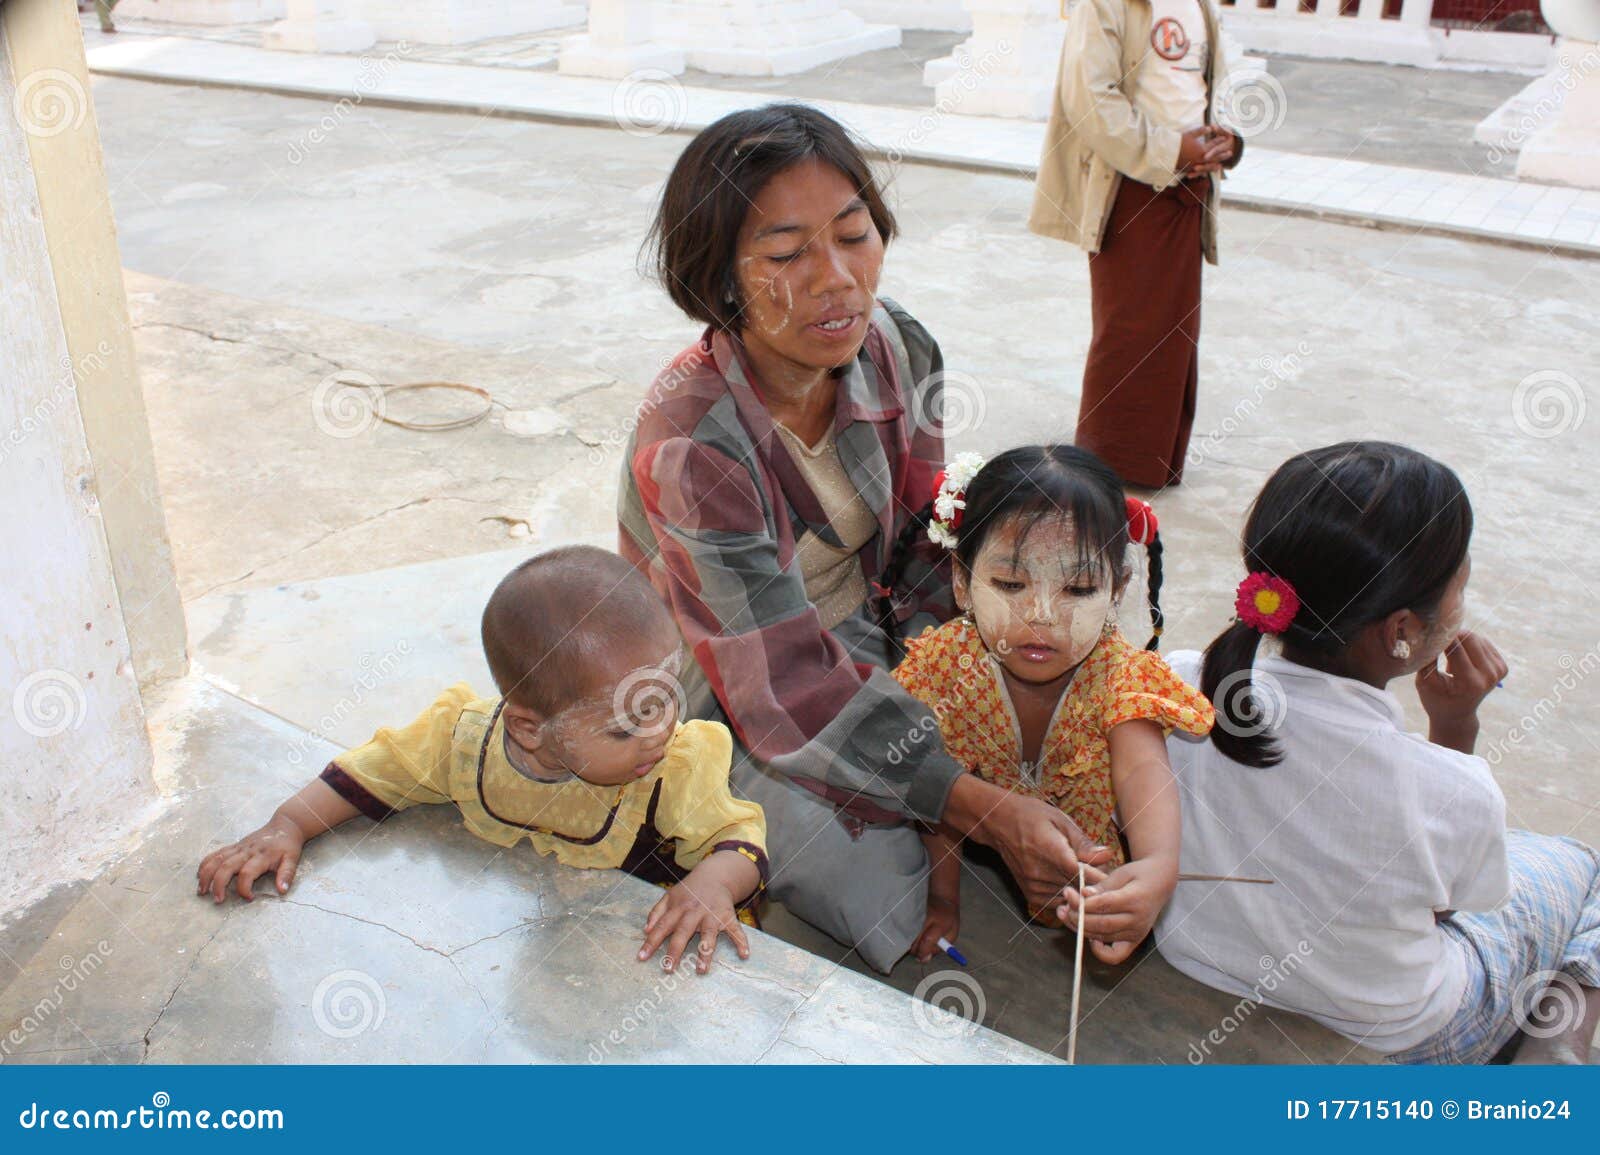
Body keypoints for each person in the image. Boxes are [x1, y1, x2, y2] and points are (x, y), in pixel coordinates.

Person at [620, 103, 1114, 974]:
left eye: (854, 235)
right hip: (727, 683)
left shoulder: (899, 347)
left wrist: (950, 684)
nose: (837, 278)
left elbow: (926, 543)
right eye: (785, 254)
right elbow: (780, 682)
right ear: (721, 279)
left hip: (855, 630)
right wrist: (978, 802)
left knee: (1063, 717)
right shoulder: (694, 444)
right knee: (885, 874)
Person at [1158, 442, 1600, 1064]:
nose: (1460, 605)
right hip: (1400, 1033)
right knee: (1584, 867)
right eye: (1458, 587)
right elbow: (1448, 908)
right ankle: (1558, 1050)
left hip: (1202, 963)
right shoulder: (1452, 788)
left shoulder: (1173, 687)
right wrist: (1455, 728)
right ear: (1401, 631)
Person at [195, 547, 767, 975]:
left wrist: (712, 883)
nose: (660, 730)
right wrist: (289, 824)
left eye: (665, 695)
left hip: (665, 946)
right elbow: (375, 771)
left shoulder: (678, 766)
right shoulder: (463, 743)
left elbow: (739, 835)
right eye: (622, 727)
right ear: (530, 729)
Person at [891, 446, 1212, 964]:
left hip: (1091, 885)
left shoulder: (1120, 677)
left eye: (1078, 588)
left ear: (1116, 592)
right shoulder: (945, 668)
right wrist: (943, 899)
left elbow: (1142, 774)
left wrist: (1156, 870)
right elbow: (938, 793)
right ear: (960, 581)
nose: (1041, 616)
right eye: (1010, 584)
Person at [1029, 0, 1244, 489]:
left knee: (1175, 330)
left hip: (1190, 185)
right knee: (1129, 329)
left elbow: (1199, 89)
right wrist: (1171, 150)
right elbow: (1091, 100)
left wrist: (1223, 143)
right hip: (1131, 186)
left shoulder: (1199, 5)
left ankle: (1154, 461)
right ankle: (1109, 465)